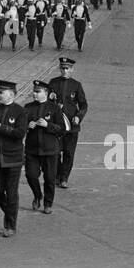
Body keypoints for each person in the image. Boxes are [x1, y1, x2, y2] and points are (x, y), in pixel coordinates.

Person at [0, 79, 27, 237]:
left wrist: (0, 127)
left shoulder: (20, 112)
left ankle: (10, 224)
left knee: (11, 191)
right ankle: (11, 212)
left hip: (13, 158)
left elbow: (20, 133)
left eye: (1, 92)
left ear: (11, 94)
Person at [22, 80, 64, 213]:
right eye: (34, 91)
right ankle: (37, 195)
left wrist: (48, 125)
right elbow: (20, 127)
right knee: (31, 175)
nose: (34, 94)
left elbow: (62, 129)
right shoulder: (27, 107)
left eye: (38, 91)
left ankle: (48, 203)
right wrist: (27, 126)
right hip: (32, 149)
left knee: (50, 179)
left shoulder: (54, 108)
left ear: (46, 92)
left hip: (50, 149)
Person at [49, 57, 89, 189]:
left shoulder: (76, 85)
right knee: (55, 152)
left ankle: (64, 177)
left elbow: (83, 105)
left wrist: (78, 117)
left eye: (67, 68)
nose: (64, 71)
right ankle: (57, 175)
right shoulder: (53, 83)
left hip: (71, 125)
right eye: (62, 68)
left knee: (68, 152)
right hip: (56, 125)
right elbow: (46, 103)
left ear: (72, 70)